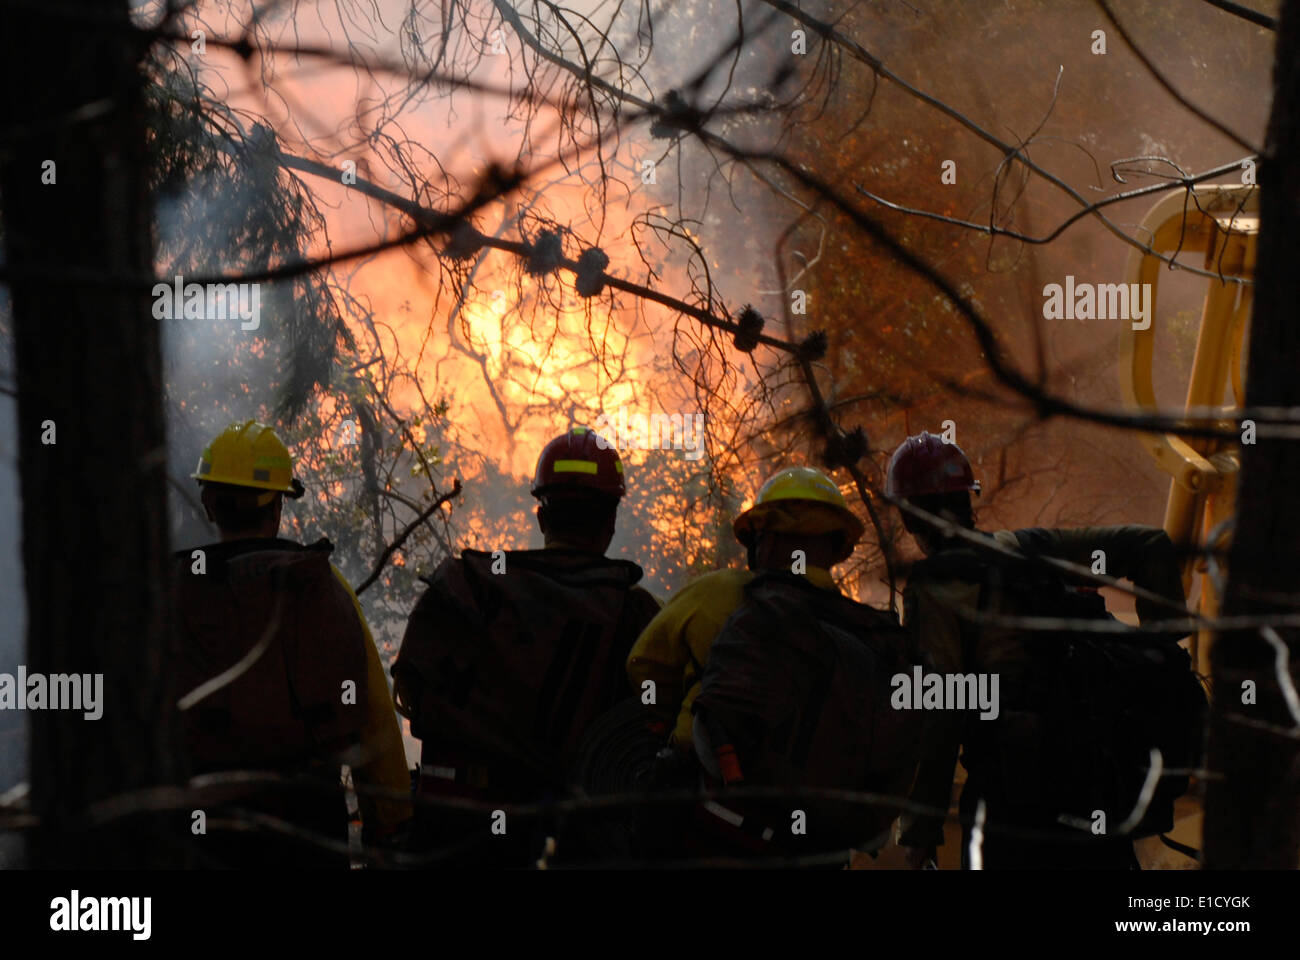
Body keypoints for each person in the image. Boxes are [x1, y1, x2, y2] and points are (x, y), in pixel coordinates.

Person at [888, 431, 1204, 870]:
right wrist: (1164, 653)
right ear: (967, 501)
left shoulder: (932, 588)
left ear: (908, 518)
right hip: (1089, 783)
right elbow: (1148, 544)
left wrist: (920, 832)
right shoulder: (1025, 549)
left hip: (1010, 804)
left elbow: (941, 716)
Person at [392, 427, 660, 866]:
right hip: (570, 840)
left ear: (541, 518)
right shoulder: (638, 618)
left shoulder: (467, 585)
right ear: (611, 522)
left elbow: (408, 695)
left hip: (452, 831)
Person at [628, 466, 918, 861]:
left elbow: (644, 666)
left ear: (764, 540)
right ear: (837, 549)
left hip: (712, 828)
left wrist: (666, 722)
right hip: (820, 846)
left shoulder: (720, 590)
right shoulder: (867, 634)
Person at [172, 420, 412, 868]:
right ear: (278, 505)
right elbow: (375, 714)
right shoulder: (320, 586)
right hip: (307, 827)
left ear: (208, 503)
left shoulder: (169, 593)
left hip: (201, 823)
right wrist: (390, 822)